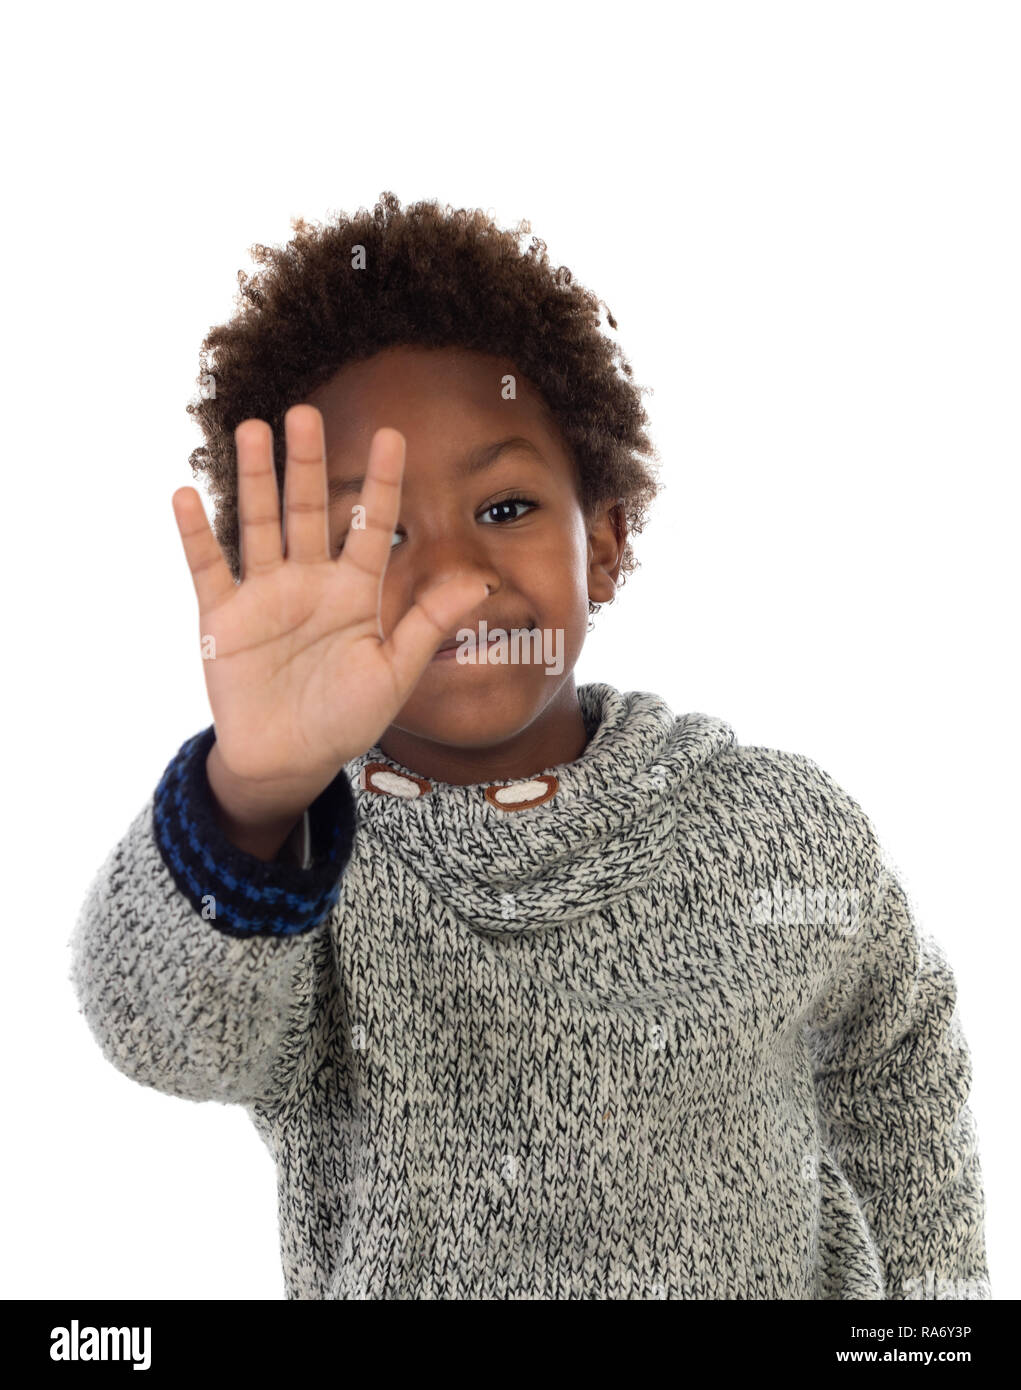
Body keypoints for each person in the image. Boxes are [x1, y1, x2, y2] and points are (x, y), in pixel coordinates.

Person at [69, 191, 991, 1300]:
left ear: (601, 540)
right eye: (377, 532)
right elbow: (162, 1030)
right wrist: (256, 788)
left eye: (503, 508)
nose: (456, 578)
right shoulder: (302, 874)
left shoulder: (778, 829)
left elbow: (896, 1056)